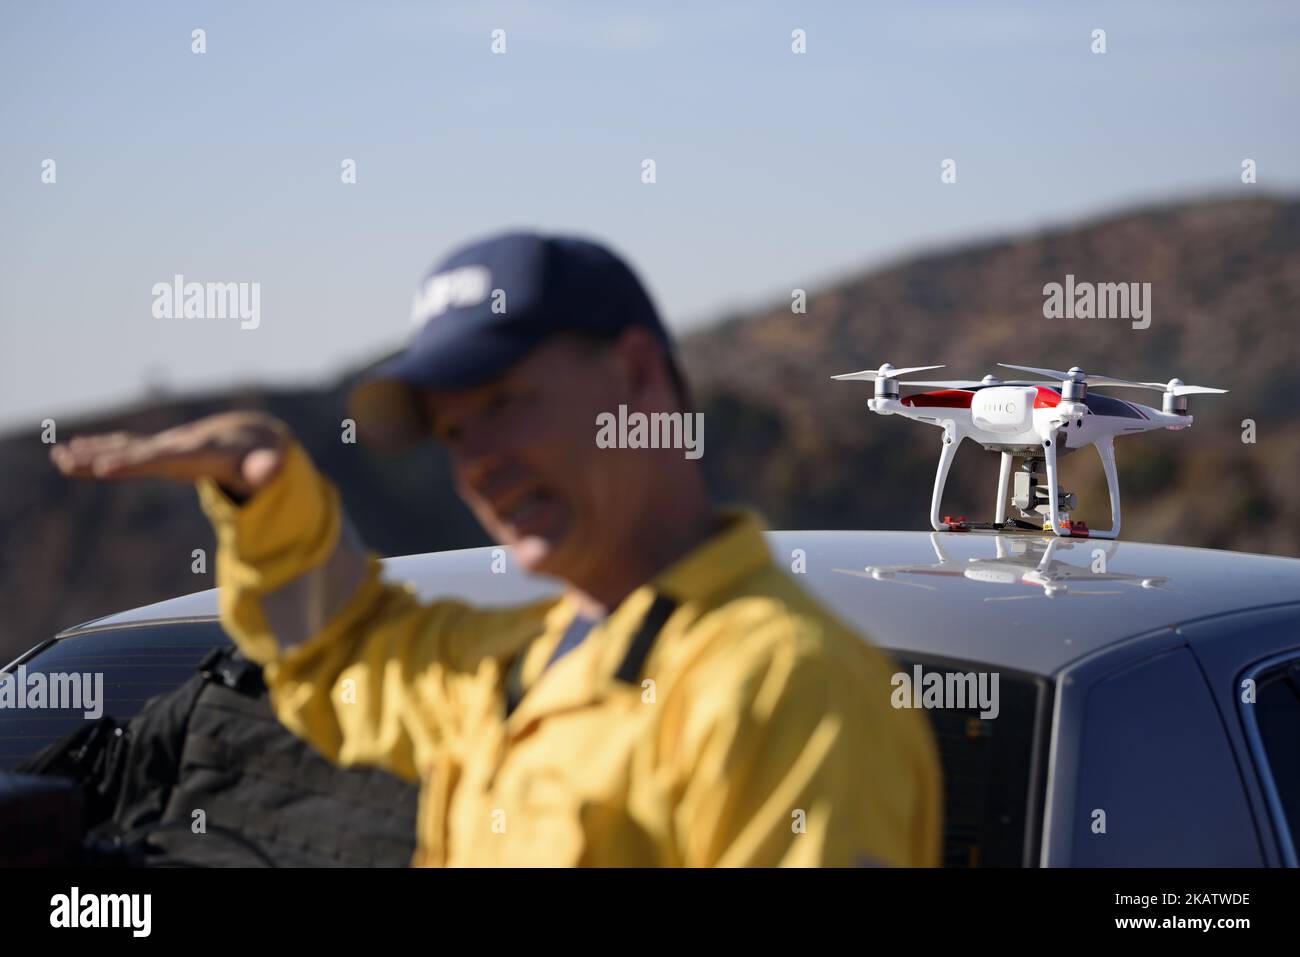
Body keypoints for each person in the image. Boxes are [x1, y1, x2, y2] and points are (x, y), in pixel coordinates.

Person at [51, 231, 941, 867]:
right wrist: (264, 490)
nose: (479, 462)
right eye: (454, 429)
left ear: (634, 377)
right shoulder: (518, 663)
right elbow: (334, 657)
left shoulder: (787, 690)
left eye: (507, 404)